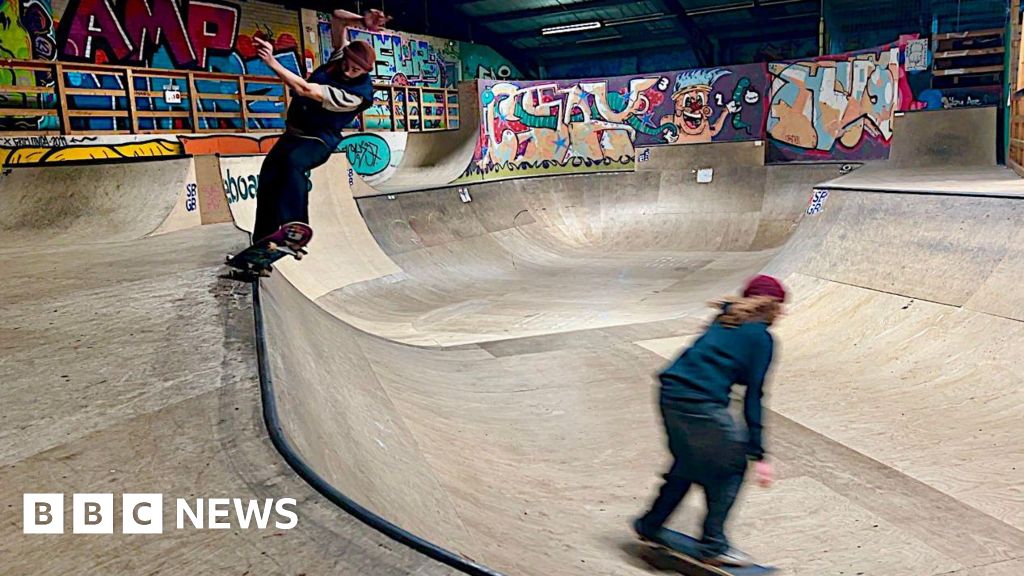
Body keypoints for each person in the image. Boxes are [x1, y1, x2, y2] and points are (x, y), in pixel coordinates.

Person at [634, 274, 784, 567]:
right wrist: (758, 453)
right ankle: (714, 544)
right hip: (699, 401)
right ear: (773, 306)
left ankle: (651, 523)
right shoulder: (761, 338)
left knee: (688, 463)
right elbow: (754, 396)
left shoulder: (724, 319)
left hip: (669, 392)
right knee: (730, 467)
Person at [249, 8, 390, 243]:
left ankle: (296, 227)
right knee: (269, 177)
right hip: (294, 134)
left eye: (355, 70)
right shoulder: (340, 60)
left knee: (293, 163)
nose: (347, 71)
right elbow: (336, 17)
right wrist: (361, 20)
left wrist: (272, 62)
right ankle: (264, 240)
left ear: (365, 72)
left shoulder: (355, 95)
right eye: (346, 64)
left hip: (319, 140)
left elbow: (304, 89)